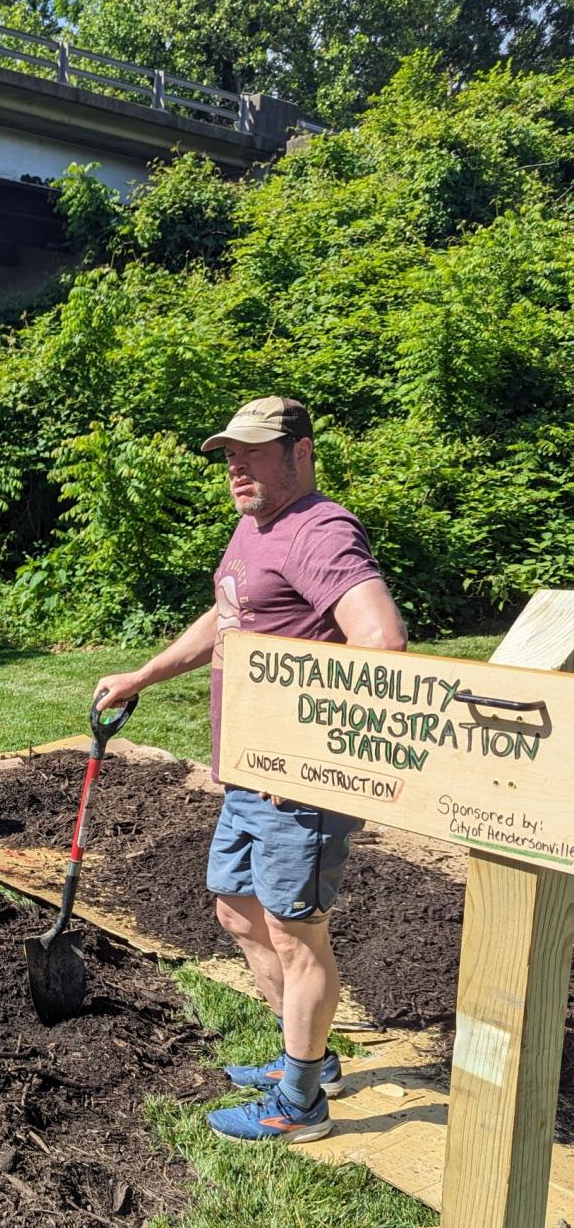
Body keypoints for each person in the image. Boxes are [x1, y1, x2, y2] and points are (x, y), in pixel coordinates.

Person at [93, 397, 407, 1144]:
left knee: (299, 938)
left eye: (254, 452)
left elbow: (380, 641)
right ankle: (307, 1059)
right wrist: (143, 674)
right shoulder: (254, 526)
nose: (236, 466)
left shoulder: (318, 530)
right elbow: (226, 616)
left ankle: (300, 1106)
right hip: (245, 772)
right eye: (229, 453)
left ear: (300, 453)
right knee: (235, 909)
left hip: (294, 785)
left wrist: (302, 751)